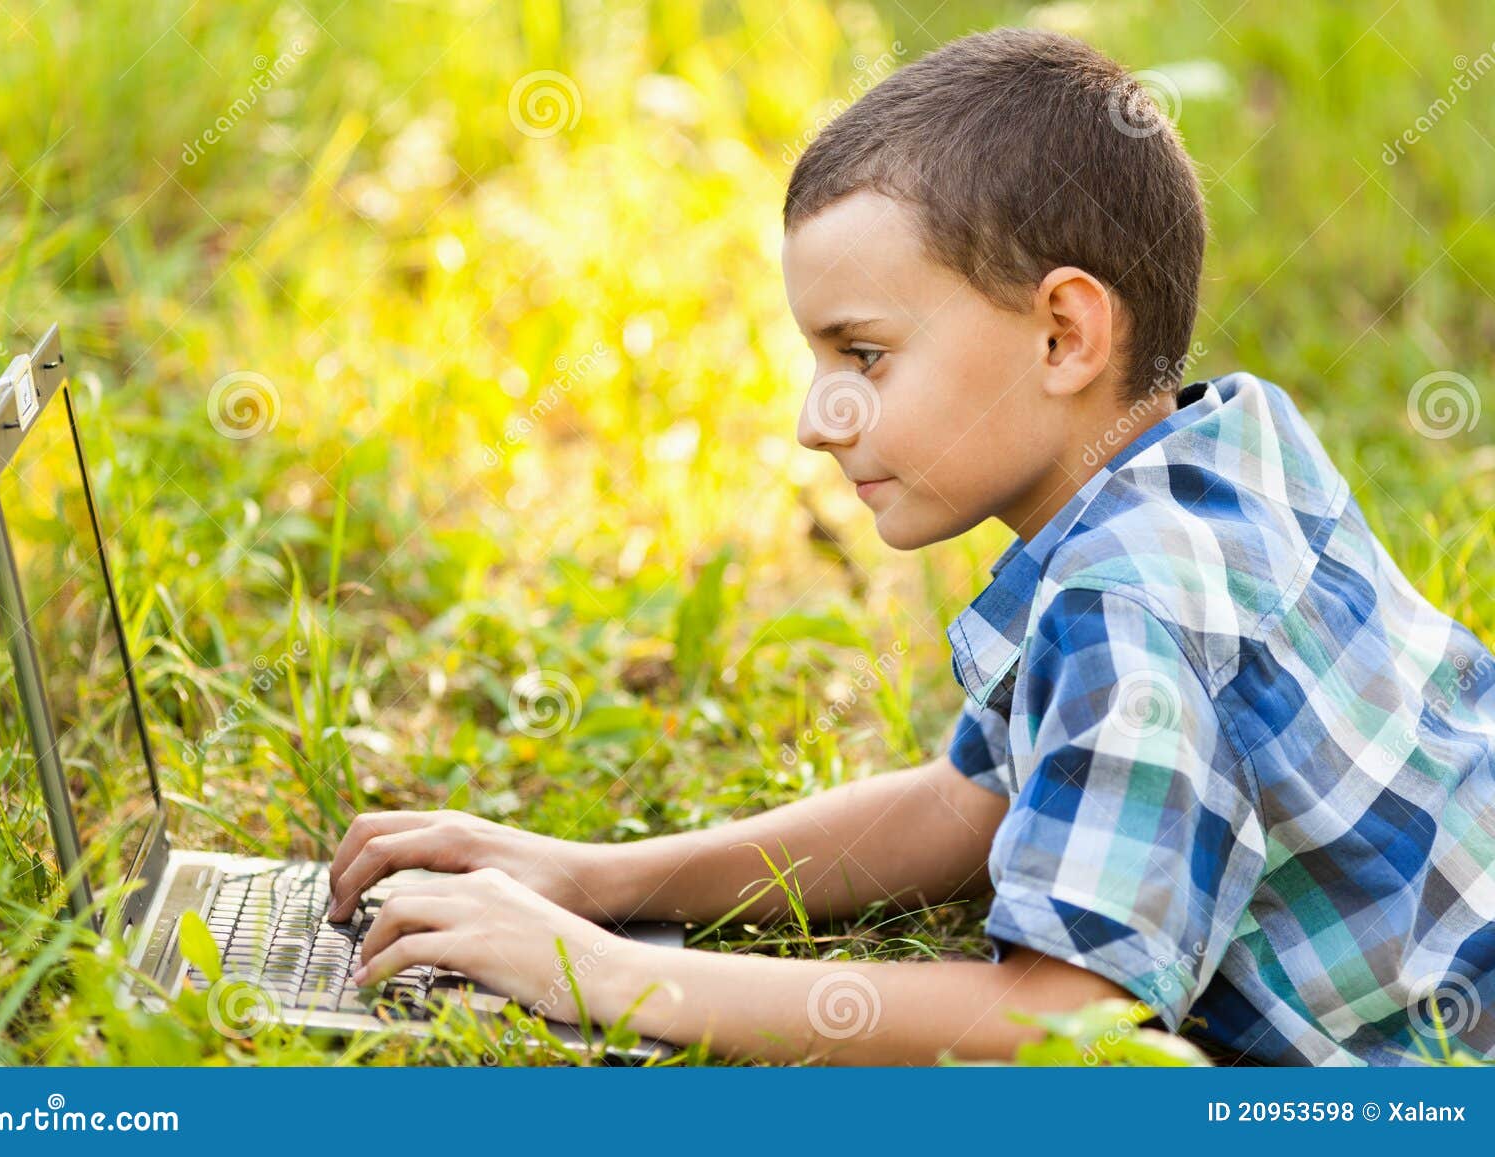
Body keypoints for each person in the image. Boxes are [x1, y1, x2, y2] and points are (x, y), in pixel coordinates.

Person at [326, 28, 1495, 1066]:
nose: (814, 419)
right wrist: (601, 877)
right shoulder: (1218, 447)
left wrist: (606, 972)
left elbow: (1061, 1013)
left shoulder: (1131, 599)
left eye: (863, 355)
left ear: (1063, 334)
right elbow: (975, 801)